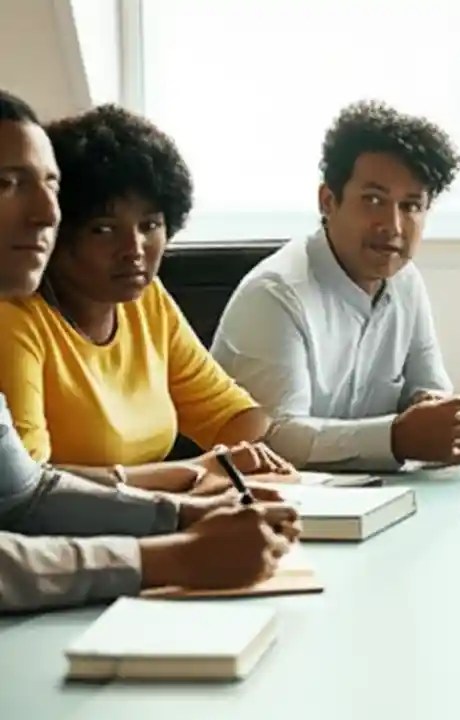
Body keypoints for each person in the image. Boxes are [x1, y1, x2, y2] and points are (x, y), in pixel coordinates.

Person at [0, 89, 300, 614]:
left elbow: (23, 494)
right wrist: (174, 553)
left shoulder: (146, 302)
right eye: (7, 184)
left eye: (51, 186)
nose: (48, 213)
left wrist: (183, 515)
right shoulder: (14, 318)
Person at [211, 100, 460, 471]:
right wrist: (397, 438)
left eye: (412, 206)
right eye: (374, 200)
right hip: (273, 511)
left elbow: (430, 390)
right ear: (327, 201)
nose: (394, 226)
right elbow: (272, 440)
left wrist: (444, 418)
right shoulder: (275, 294)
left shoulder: (405, 282)